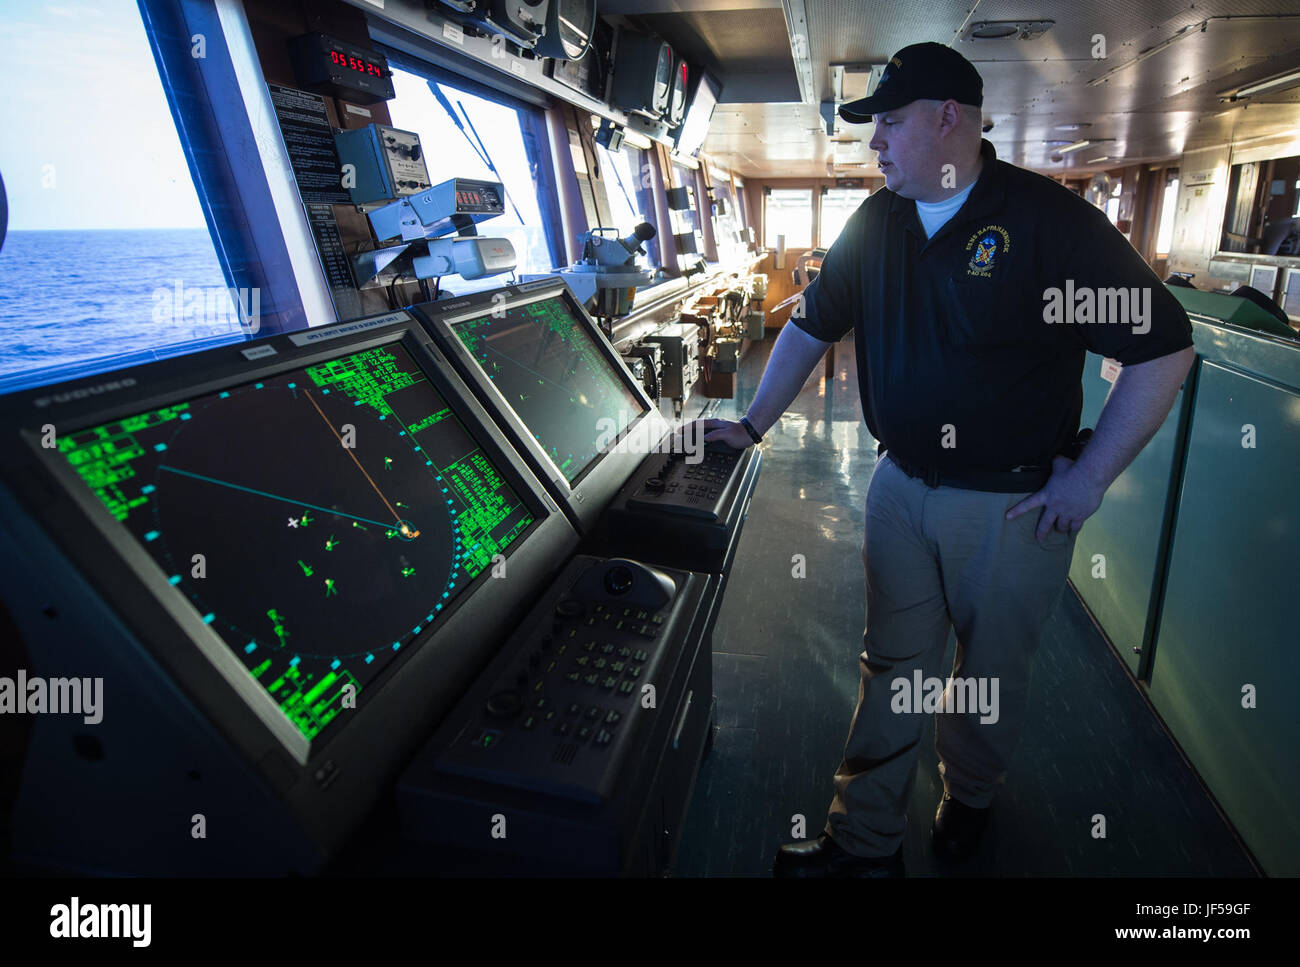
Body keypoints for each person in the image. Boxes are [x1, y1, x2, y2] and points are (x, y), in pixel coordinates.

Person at [700, 42, 1195, 877]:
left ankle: (968, 796)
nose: (876, 144)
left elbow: (1164, 348)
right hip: (896, 486)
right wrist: (749, 425)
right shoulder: (877, 223)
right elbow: (812, 325)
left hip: (1009, 506)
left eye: (890, 123)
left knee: (985, 673)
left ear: (947, 120)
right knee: (891, 664)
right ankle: (864, 842)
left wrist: (1088, 477)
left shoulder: (1047, 225)